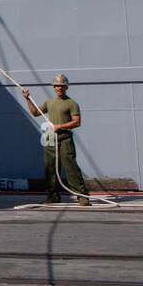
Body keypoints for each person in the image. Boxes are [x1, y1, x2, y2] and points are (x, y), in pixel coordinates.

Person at [21, 74, 91, 206]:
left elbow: (77, 122)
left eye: (61, 85)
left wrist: (60, 126)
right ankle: (53, 195)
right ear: (54, 87)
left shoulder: (72, 103)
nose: (59, 88)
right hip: (50, 137)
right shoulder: (49, 102)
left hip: (64, 137)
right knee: (50, 167)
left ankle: (82, 196)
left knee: (70, 166)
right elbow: (35, 113)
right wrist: (27, 99)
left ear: (66, 87)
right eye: (57, 85)